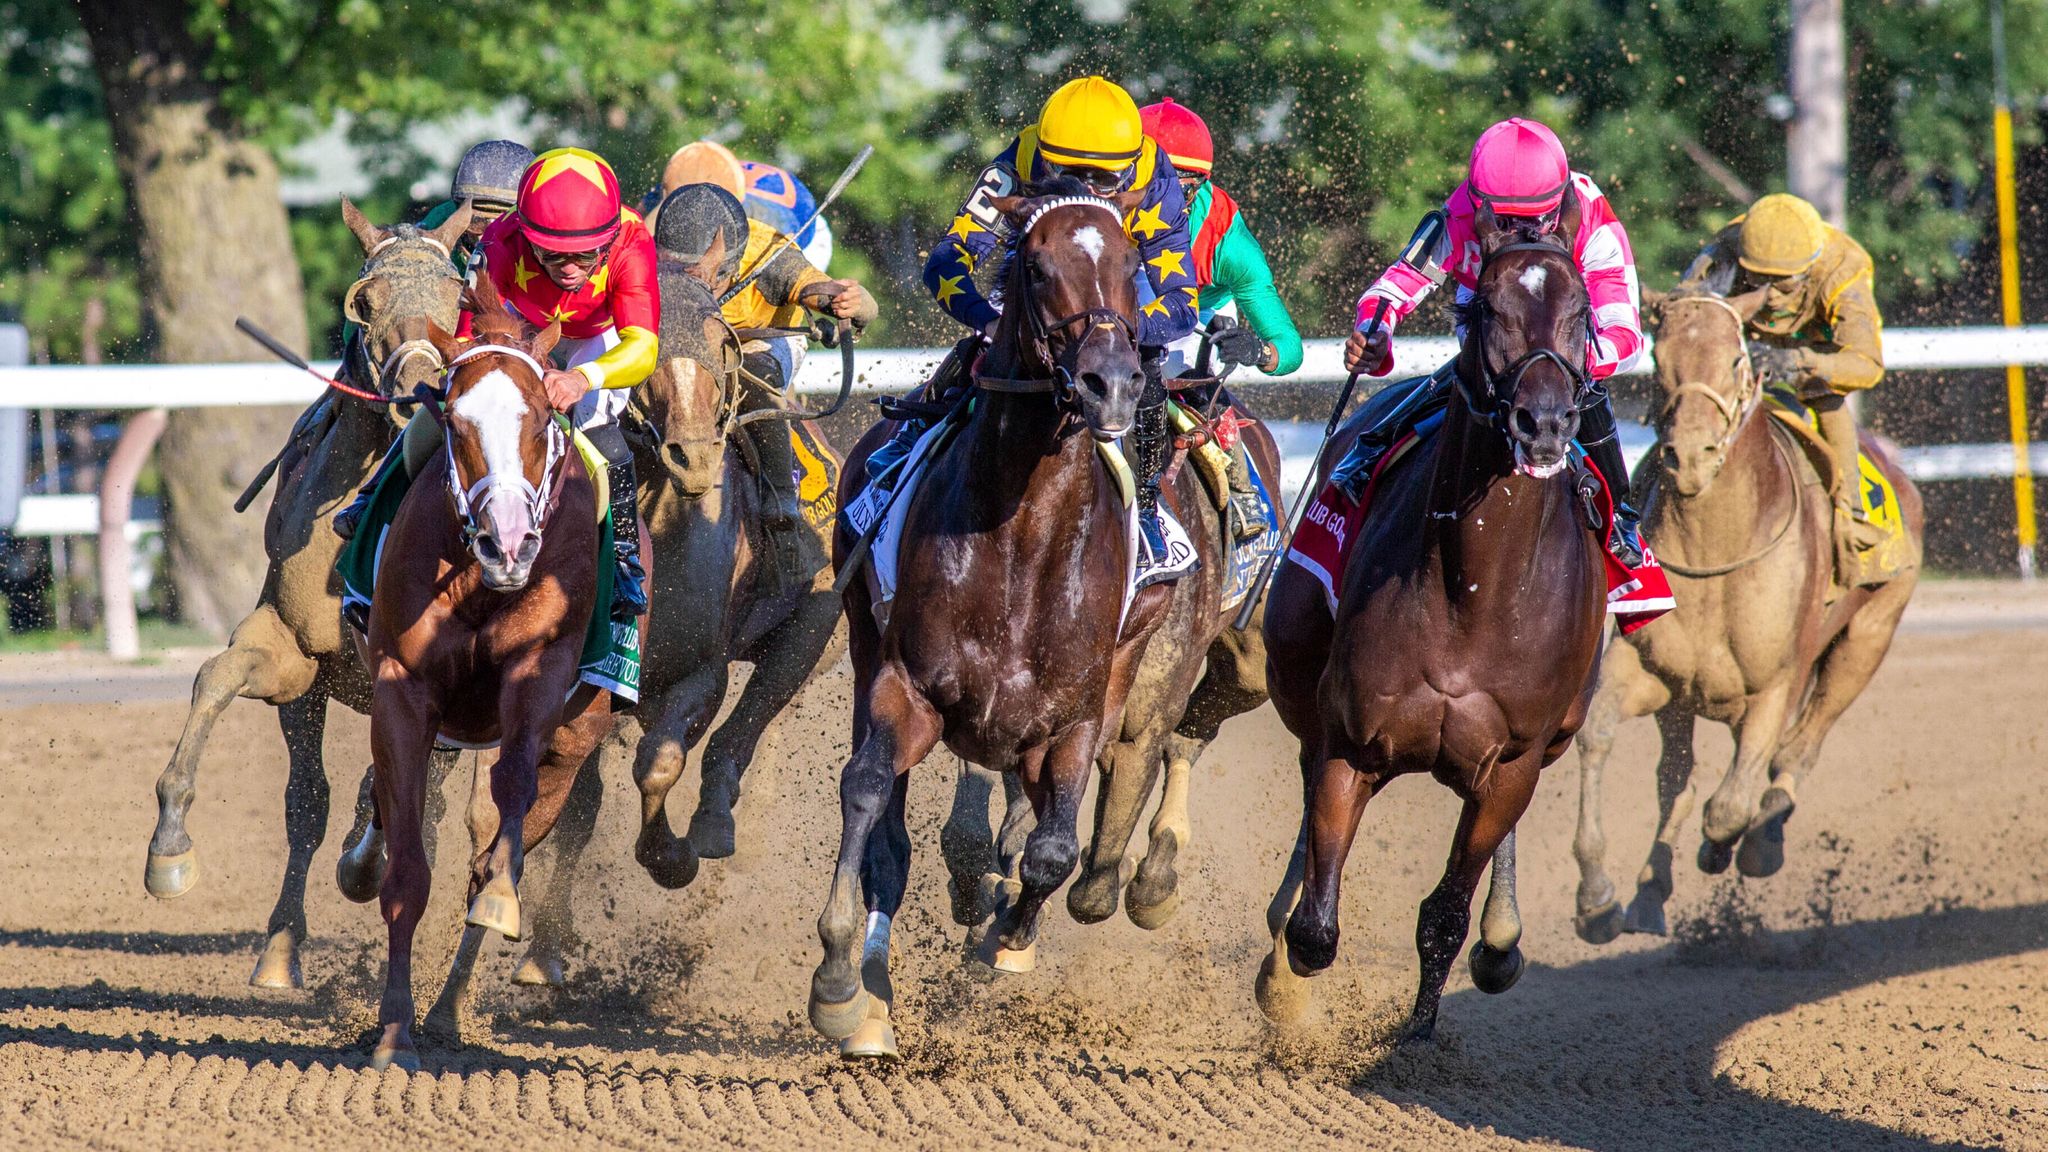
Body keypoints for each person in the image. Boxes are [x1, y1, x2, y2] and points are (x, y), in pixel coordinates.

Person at [336, 146, 660, 621]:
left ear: (608, 240)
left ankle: (625, 559)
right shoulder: (499, 244)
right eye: (552, 255)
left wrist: (581, 378)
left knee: (601, 435)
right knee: (449, 418)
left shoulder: (632, 242)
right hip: (516, 332)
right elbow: (468, 336)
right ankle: (371, 511)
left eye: (584, 256)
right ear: (527, 235)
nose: (569, 269)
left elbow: (643, 348)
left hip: (597, 339)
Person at [903, 75, 1201, 570]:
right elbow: (945, 264)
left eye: (1104, 181)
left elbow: (1180, 304)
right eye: (1066, 171)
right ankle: (898, 468)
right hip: (1038, 316)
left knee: (1145, 377)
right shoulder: (1015, 165)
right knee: (968, 364)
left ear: (1130, 169)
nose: (1085, 187)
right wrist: (989, 322)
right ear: (1042, 158)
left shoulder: (1155, 177)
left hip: (1114, 319)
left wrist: (1116, 333)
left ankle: (1146, 506)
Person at [1334, 117, 1648, 565]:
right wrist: (1376, 333)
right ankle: (1374, 445)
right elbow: (1393, 288)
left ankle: (1621, 514)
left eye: (1536, 222)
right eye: (1502, 222)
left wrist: (1558, 363)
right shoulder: (1457, 213)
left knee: (1575, 385)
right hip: (1495, 310)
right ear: (1478, 204)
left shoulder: (1594, 218)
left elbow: (1626, 335)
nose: (1520, 233)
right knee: (1485, 358)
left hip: (1568, 329)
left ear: (1561, 205)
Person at [650, 144, 878, 560]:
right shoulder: (650, 236)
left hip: (762, 340)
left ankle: (781, 510)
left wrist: (851, 303)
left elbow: (815, 289)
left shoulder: (766, 249)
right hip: (688, 343)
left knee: (752, 370)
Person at [1676, 192, 1888, 584]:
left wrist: (1800, 362)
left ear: (1809, 269)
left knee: (1827, 402)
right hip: (1739, 346)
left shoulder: (1844, 270)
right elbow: (1688, 308)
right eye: (1759, 279)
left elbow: (1868, 364)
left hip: (1813, 354)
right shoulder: (1724, 250)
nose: (1769, 295)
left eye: (1783, 283)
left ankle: (1851, 518)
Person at [1140, 97, 1302, 540]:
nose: (1162, 201)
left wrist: (1256, 350)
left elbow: (1290, 348)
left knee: (1180, 372)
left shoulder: (1228, 244)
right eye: (1145, 184)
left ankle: (1240, 484)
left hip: (1195, 311)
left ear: (1202, 185)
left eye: (1179, 187)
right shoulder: (1099, 205)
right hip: (1116, 292)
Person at [336, 139, 534, 385]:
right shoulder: (433, 233)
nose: (487, 237)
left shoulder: (554, 247)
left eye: (500, 226)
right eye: (477, 223)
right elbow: (356, 332)